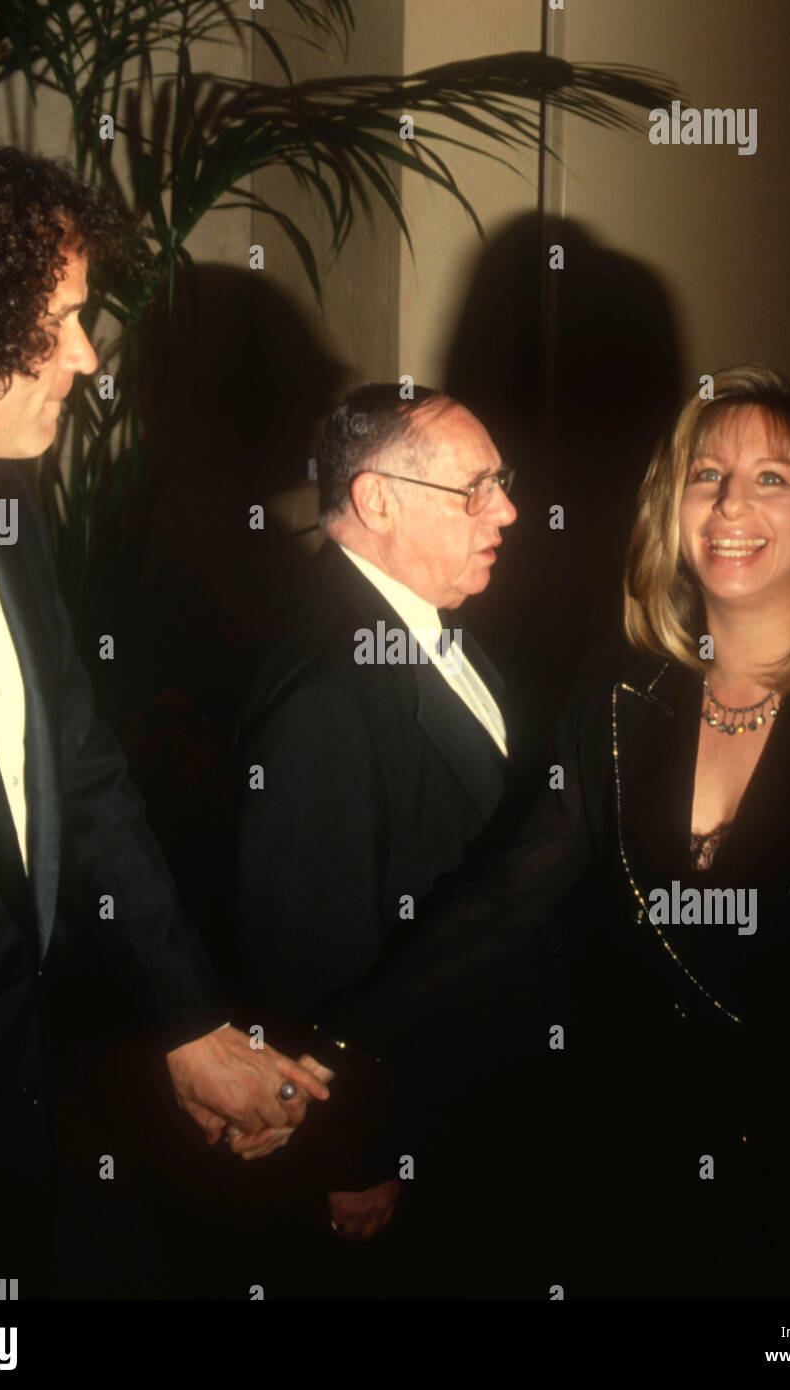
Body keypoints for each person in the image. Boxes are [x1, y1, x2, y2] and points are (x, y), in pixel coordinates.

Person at [360, 364, 790, 1297]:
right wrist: (335, 1045)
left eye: (773, 480)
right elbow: (505, 897)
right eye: (706, 475)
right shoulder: (617, 690)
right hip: (636, 1199)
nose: (728, 505)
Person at [0, 126, 329, 1297]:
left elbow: (79, 774)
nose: (85, 354)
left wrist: (184, 1021)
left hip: (24, 1138)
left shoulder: (12, 522)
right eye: (60, 318)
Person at [233, 383, 530, 1250]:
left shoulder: (428, 624)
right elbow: (305, 954)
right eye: (475, 488)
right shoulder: (325, 688)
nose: (506, 510)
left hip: (474, 1096)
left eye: (502, 481)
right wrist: (352, 1156)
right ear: (377, 501)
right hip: (405, 1135)